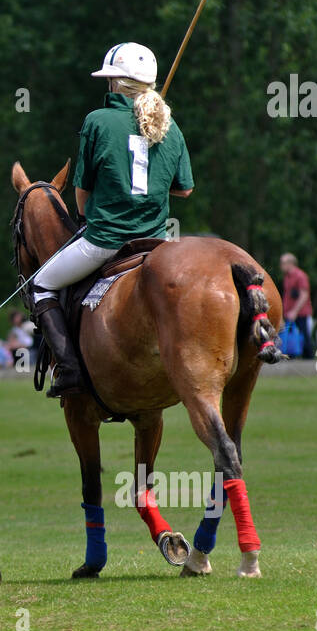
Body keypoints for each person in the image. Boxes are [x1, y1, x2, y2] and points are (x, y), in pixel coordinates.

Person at [27, 41, 193, 397]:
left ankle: (70, 371)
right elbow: (185, 190)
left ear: (117, 83)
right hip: (157, 241)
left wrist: (87, 215)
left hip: (106, 239)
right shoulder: (169, 126)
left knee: (40, 284)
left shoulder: (97, 120)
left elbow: (82, 190)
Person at [279, 253, 313, 353]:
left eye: (283, 263)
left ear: (290, 263)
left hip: (300, 313)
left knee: (304, 336)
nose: (281, 265)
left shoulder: (300, 276)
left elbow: (304, 295)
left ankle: (309, 360)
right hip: (288, 312)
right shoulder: (287, 277)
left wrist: (294, 311)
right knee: (289, 337)